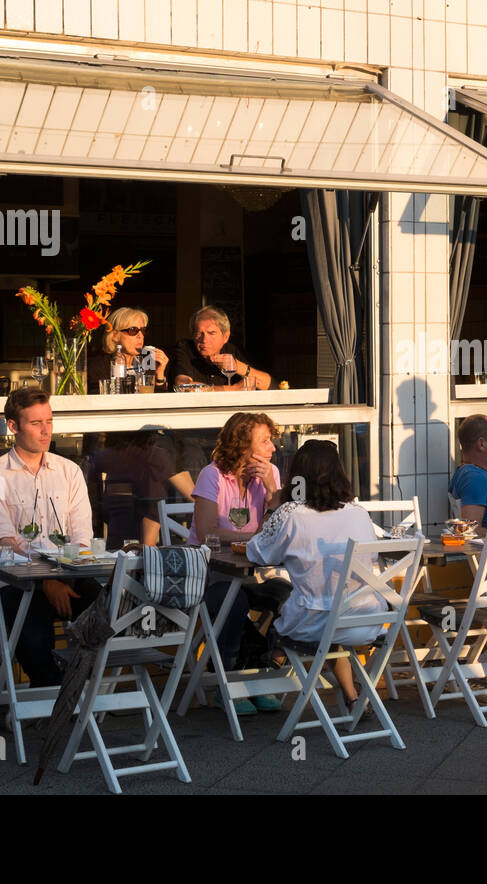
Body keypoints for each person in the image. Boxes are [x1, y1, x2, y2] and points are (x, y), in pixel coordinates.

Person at [248, 439, 387, 713]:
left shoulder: (291, 514)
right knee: (330, 606)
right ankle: (352, 697)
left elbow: (257, 553)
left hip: (314, 624)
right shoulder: (359, 514)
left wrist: (273, 506)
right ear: (340, 473)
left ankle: (270, 659)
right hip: (367, 622)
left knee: (294, 603)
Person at [0, 387, 97, 686]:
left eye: (49, 421)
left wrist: (64, 577)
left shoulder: (69, 471)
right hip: (18, 582)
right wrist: (46, 581)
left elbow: (82, 534)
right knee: (30, 639)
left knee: (106, 614)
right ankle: (56, 694)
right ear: (13, 426)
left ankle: (78, 687)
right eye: (36, 423)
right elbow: (5, 542)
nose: (46, 431)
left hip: (68, 575)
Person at [190, 412, 289, 714]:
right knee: (233, 603)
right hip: (210, 573)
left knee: (289, 593)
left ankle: (260, 674)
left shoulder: (269, 475)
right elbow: (207, 533)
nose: (273, 448)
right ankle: (228, 684)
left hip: (252, 572)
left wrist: (274, 493)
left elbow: (280, 530)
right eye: (265, 441)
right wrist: (253, 539)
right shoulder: (213, 475)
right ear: (243, 446)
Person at [171, 306, 270, 390]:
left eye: (211, 333)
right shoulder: (185, 348)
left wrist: (237, 366)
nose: (204, 340)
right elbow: (183, 386)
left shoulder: (232, 350)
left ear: (225, 337)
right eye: (199, 333)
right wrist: (232, 389)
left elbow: (268, 384)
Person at [87, 307, 170, 392]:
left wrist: (159, 374)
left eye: (143, 330)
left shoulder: (148, 364)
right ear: (114, 336)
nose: (140, 336)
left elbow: (160, 402)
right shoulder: (99, 366)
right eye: (133, 330)